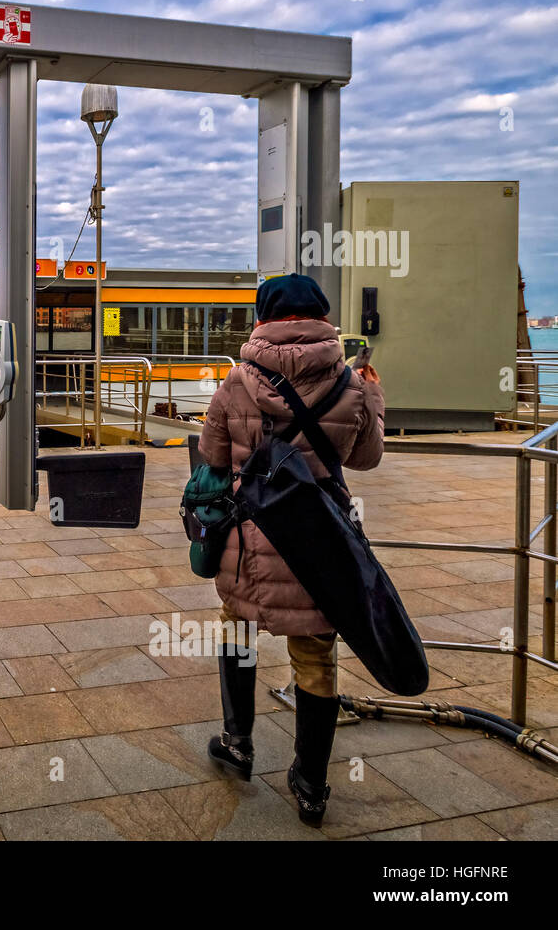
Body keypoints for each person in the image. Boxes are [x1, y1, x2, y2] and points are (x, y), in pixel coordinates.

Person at [197, 274, 384, 826]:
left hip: (249, 536)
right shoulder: (349, 384)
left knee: (237, 628)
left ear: (264, 317)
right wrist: (373, 396)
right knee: (316, 657)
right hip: (319, 543)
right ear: (322, 318)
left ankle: (238, 742)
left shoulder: (236, 382)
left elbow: (210, 457)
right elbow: (366, 458)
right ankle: (311, 784)